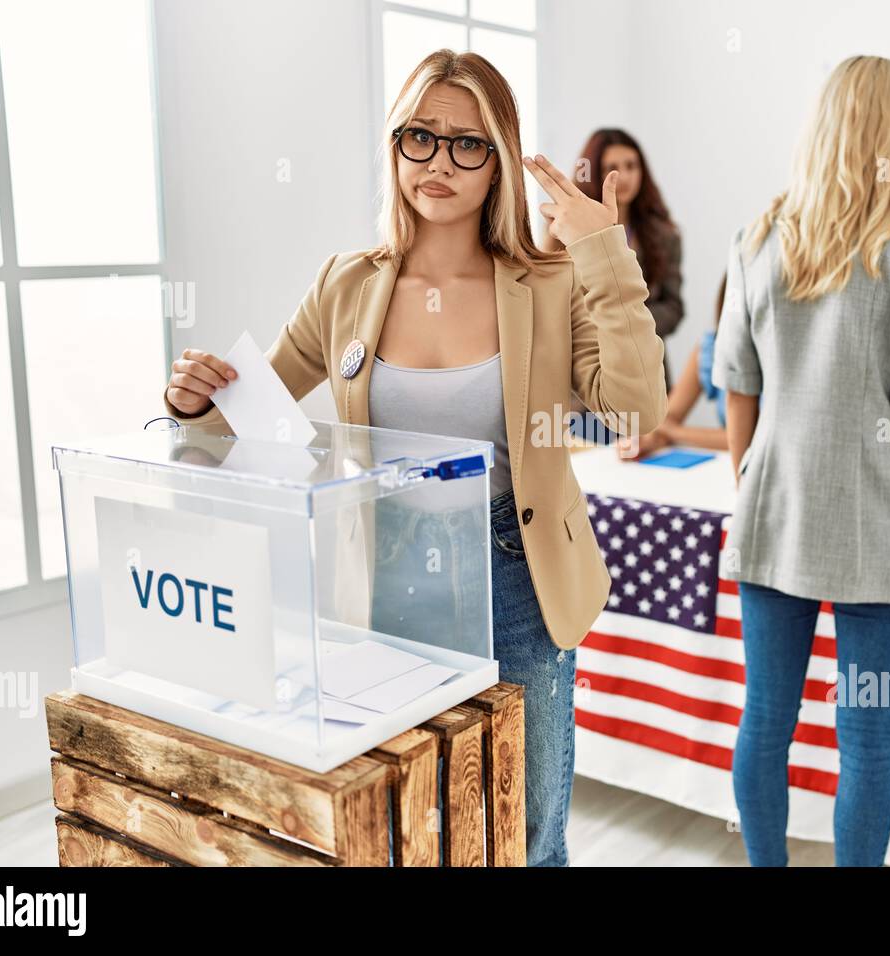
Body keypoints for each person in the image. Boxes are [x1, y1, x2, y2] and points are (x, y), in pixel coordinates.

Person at [160, 49, 667, 866]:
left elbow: (632, 411)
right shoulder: (346, 285)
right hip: (383, 582)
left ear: (499, 159)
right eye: (419, 137)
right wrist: (191, 401)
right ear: (395, 146)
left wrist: (605, 253)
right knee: (408, 828)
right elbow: (240, 421)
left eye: (467, 143)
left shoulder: (548, 283)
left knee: (526, 832)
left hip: (515, 578)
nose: (438, 162)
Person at [712, 55, 890, 867]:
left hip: (774, 510)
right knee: (866, 736)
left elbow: (736, 387)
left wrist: (748, 481)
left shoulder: (755, 238)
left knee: (766, 718)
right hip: (880, 526)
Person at [552, 129, 682, 442]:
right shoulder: (565, 231)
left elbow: (674, 307)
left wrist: (627, 317)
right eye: (612, 167)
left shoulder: (664, 235)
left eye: (631, 165)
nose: (623, 176)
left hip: (642, 371)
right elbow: (555, 303)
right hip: (584, 381)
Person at [617, 273, 728, 459]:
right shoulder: (710, 346)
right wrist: (651, 439)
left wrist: (672, 433)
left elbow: (749, 439)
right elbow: (668, 418)